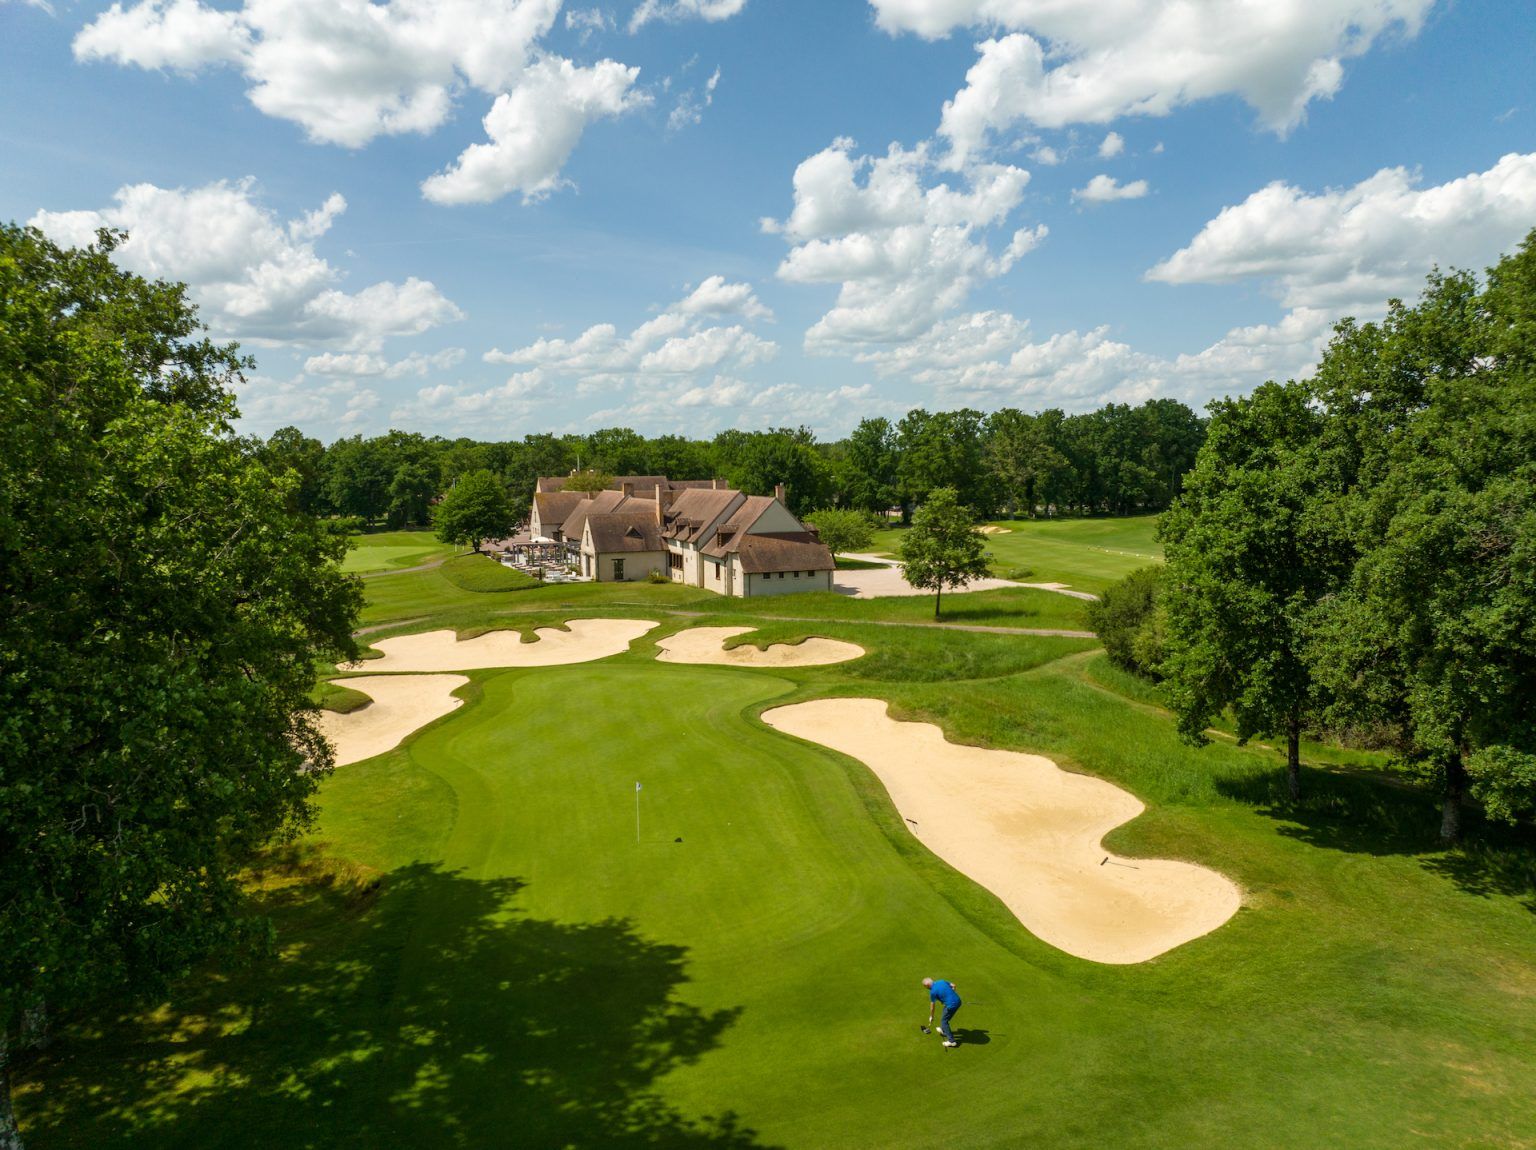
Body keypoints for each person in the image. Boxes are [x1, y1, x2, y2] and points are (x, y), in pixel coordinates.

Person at [923, 977, 962, 1047]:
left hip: (951, 1005)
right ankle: (943, 1030)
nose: (926, 988)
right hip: (958, 1001)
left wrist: (931, 1016)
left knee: (944, 1021)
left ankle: (952, 1041)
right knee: (945, 1013)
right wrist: (950, 995)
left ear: (927, 985)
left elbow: (932, 1007)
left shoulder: (933, 992)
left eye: (925, 987)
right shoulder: (941, 981)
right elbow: (954, 985)